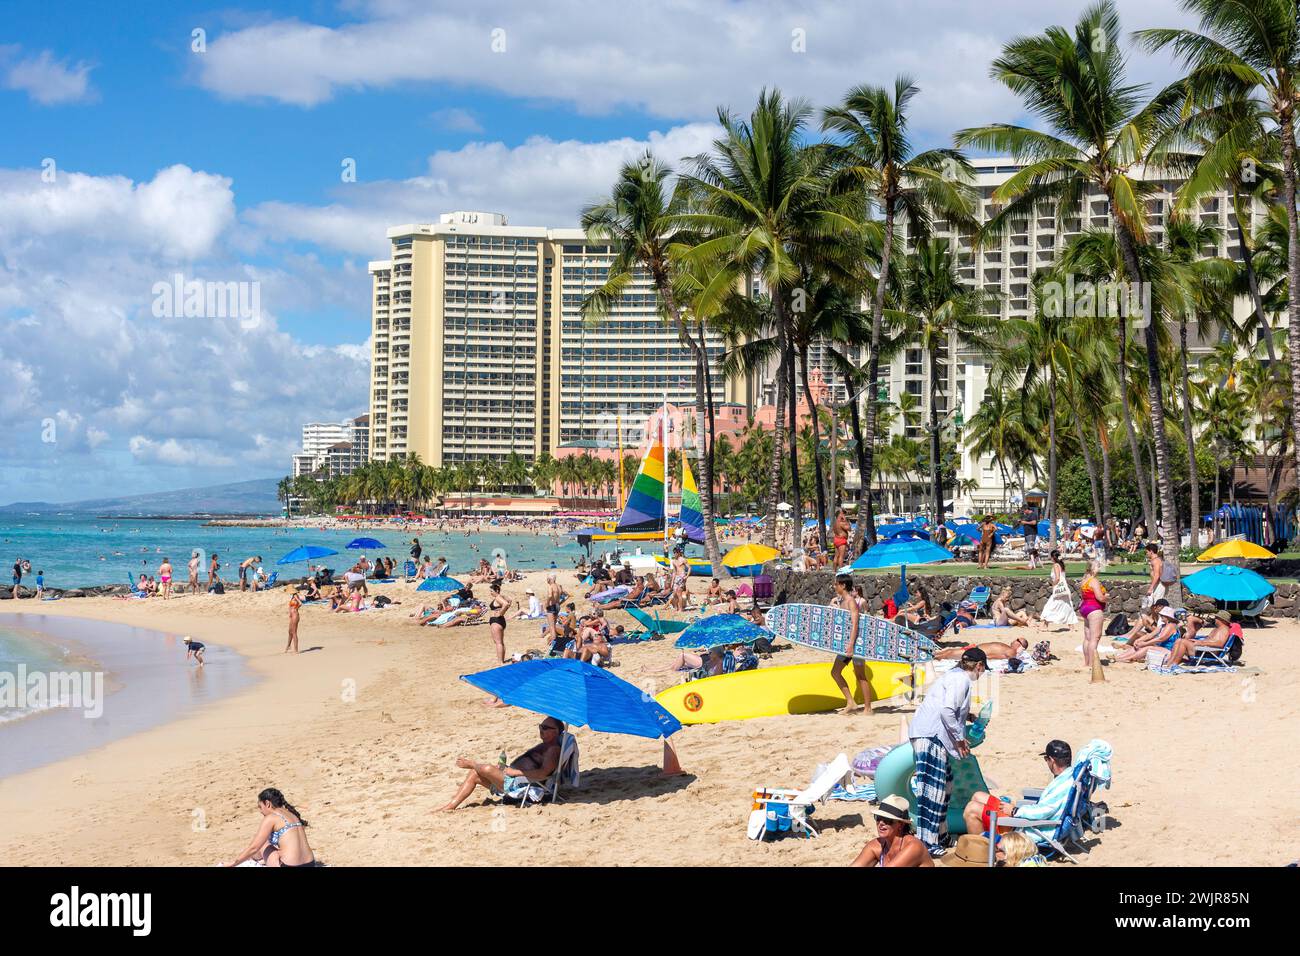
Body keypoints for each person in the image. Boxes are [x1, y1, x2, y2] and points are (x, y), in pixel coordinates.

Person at [907, 646, 987, 856]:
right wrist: (960, 740)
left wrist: (968, 717)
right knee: (933, 791)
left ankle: (940, 837)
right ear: (979, 666)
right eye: (983, 669)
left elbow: (946, 706)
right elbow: (946, 710)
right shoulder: (961, 680)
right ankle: (928, 843)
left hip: (928, 734)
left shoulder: (952, 676)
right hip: (931, 736)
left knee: (944, 786)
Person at [961, 740, 1074, 847]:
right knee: (978, 796)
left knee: (971, 810)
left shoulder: (1062, 786)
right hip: (1029, 819)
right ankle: (983, 836)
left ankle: (980, 852)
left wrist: (1015, 811)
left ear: (1052, 760)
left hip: (1026, 827)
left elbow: (1044, 811)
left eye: (1046, 759)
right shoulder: (1068, 777)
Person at [438, 718, 565, 811]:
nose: (541, 730)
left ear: (556, 732)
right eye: (540, 726)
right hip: (514, 779)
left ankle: (471, 764)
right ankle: (450, 806)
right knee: (475, 774)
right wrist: (507, 769)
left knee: (486, 768)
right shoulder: (546, 746)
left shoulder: (553, 749)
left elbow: (543, 773)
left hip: (522, 785)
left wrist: (515, 772)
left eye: (546, 728)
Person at [226, 787, 318, 866]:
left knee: (263, 845)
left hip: (289, 866)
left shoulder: (271, 817)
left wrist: (234, 863)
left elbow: (254, 848)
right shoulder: (292, 814)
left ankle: (254, 859)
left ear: (267, 803)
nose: (260, 811)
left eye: (260, 807)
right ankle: (258, 859)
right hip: (310, 863)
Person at [850, 794, 934, 867]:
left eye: (887, 820)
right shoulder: (877, 846)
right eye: (878, 818)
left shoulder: (914, 847)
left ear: (900, 824)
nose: (881, 823)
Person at [829, 574, 870, 715]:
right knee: (835, 672)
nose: (835, 586)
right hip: (845, 645)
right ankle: (851, 702)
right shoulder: (841, 601)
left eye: (836, 584)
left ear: (843, 585)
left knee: (860, 675)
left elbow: (855, 624)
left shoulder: (851, 601)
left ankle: (868, 708)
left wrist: (851, 645)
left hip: (856, 645)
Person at [1078, 559, 1107, 669]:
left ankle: (1086, 662)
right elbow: (1100, 597)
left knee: (1087, 638)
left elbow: (1083, 596)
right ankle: (1091, 664)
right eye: (1098, 567)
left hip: (1085, 608)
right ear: (1093, 568)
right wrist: (1106, 598)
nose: (1099, 569)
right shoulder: (1094, 581)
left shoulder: (1084, 580)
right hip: (1094, 609)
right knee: (1095, 638)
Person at [1040, 550, 1078, 628]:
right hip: (1064, 588)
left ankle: (1044, 625)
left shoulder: (1056, 565)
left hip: (1058, 588)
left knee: (1050, 606)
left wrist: (1053, 585)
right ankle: (1071, 626)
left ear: (1053, 557)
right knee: (1067, 606)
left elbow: (1057, 578)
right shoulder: (1061, 565)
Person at [935, 636, 1028, 661]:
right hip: (975, 648)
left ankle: (931, 657)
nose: (1014, 639)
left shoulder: (1012, 652)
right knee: (949, 651)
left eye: (1017, 639)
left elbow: (1000, 656)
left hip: (977, 652)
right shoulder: (1009, 649)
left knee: (949, 653)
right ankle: (932, 656)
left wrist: (987, 657)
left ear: (1019, 645)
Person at [486, 580, 511, 664]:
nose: (490, 593)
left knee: (498, 643)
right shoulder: (501, 596)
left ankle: (500, 661)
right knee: (500, 642)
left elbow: (506, 604)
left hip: (496, 621)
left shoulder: (498, 597)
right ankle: (502, 660)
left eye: (491, 591)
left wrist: (501, 613)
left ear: (496, 591)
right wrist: (503, 612)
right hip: (499, 621)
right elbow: (509, 601)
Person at [1021, 501, 1040, 569]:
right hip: (1026, 533)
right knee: (1027, 549)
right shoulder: (1026, 515)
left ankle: (1032, 563)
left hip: (1031, 533)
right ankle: (1032, 561)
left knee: (1031, 548)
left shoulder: (1033, 514)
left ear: (1027, 509)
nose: (1023, 512)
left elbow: (1034, 522)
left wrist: (1025, 522)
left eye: (1024, 511)